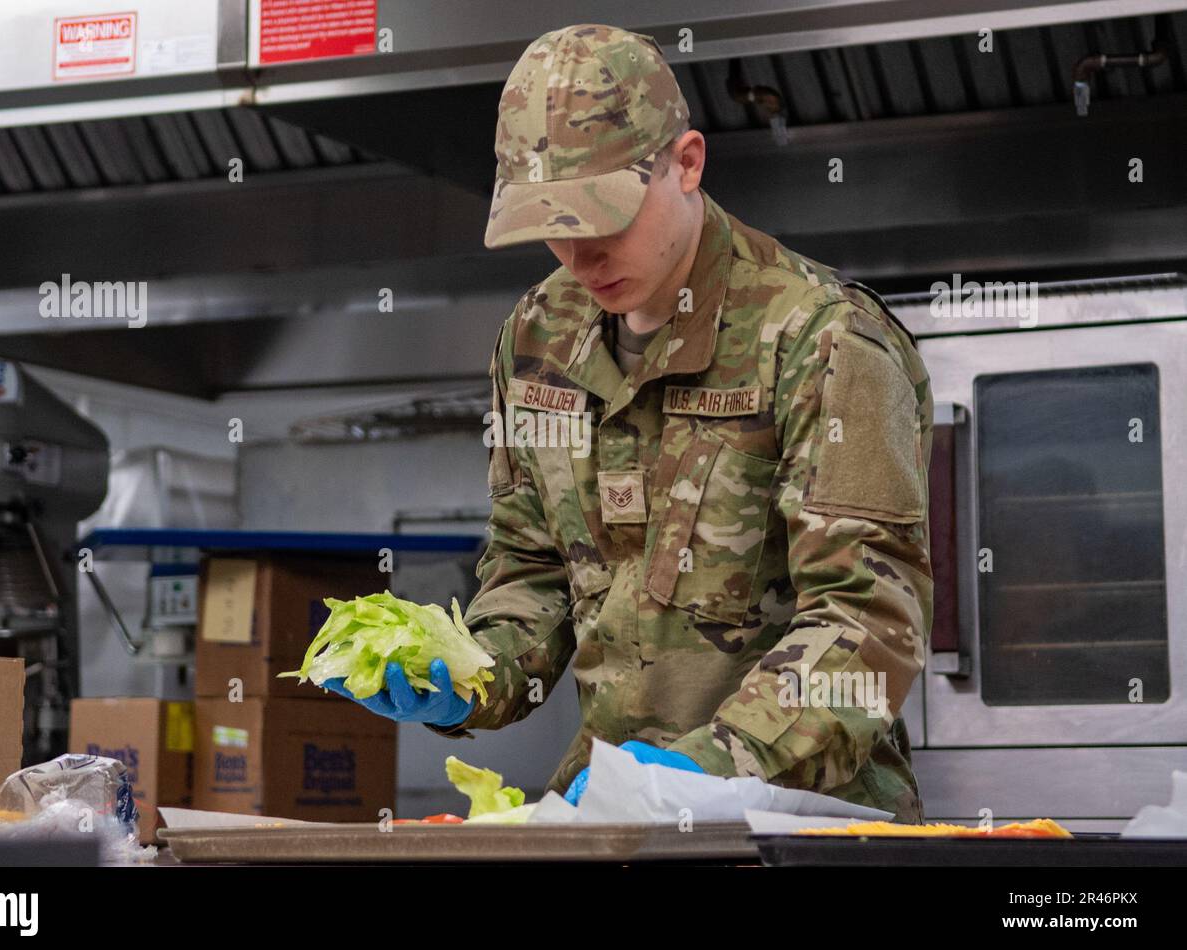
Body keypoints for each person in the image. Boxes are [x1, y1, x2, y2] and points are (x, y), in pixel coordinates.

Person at [327, 22, 934, 822]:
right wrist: (470, 677)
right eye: (552, 224)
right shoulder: (538, 338)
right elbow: (533, 569)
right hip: (614, 821)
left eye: (603, 217)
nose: (579, 257)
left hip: (793, 820)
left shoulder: (823, 339)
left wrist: (705, 768)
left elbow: (867, 623)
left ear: (686, 163)